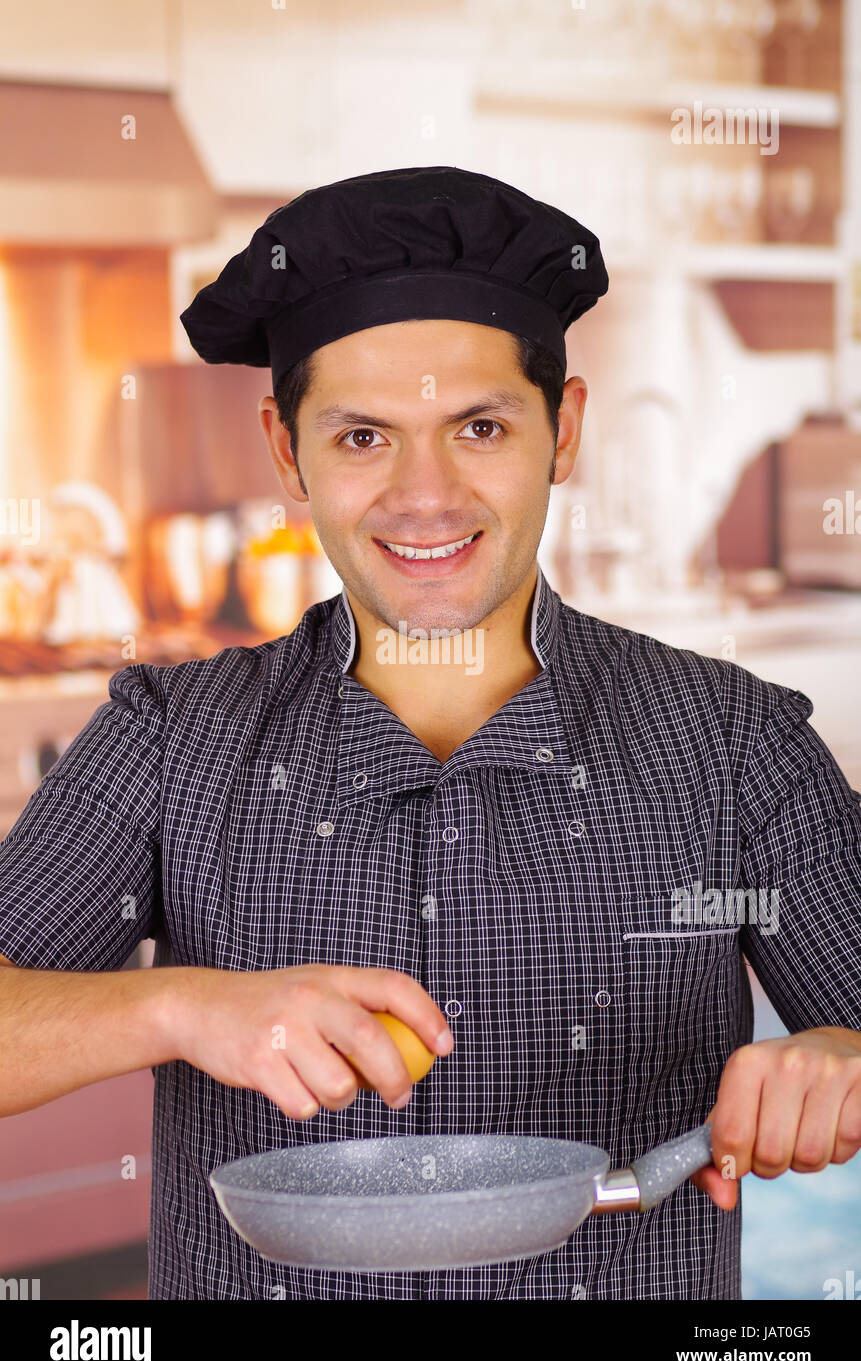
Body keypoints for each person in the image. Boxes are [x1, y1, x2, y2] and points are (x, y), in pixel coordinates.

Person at [1, 167, 859, 1301]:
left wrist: (841, 1061)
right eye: (363, 436)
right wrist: (180, 1004)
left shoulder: (734, 740)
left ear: (564, 430)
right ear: (284, 449)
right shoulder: (171, 737)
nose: (425, 495)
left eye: (480, 426)